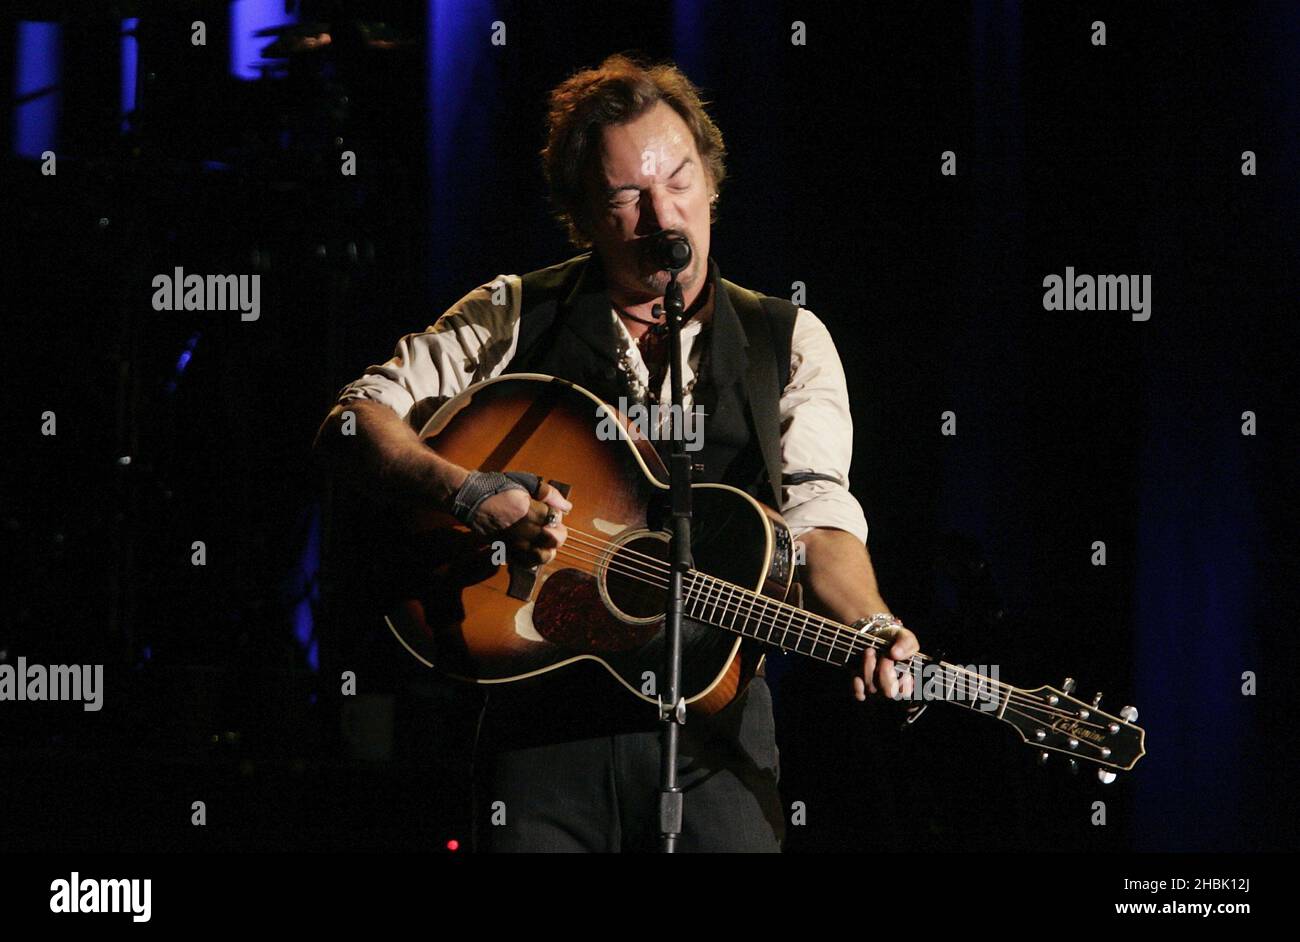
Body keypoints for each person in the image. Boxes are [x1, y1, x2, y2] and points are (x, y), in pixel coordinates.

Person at [314, 54, 918, 852]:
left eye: (677, 180)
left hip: (718, 737)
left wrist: (871, 623)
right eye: (627, 196)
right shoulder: (511, 313)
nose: (662, 218)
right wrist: (467, 492)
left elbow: (819, 523)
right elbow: (354, 423)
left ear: (711, 180)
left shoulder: (787, 341)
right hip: (540, 739)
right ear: (583, 214)